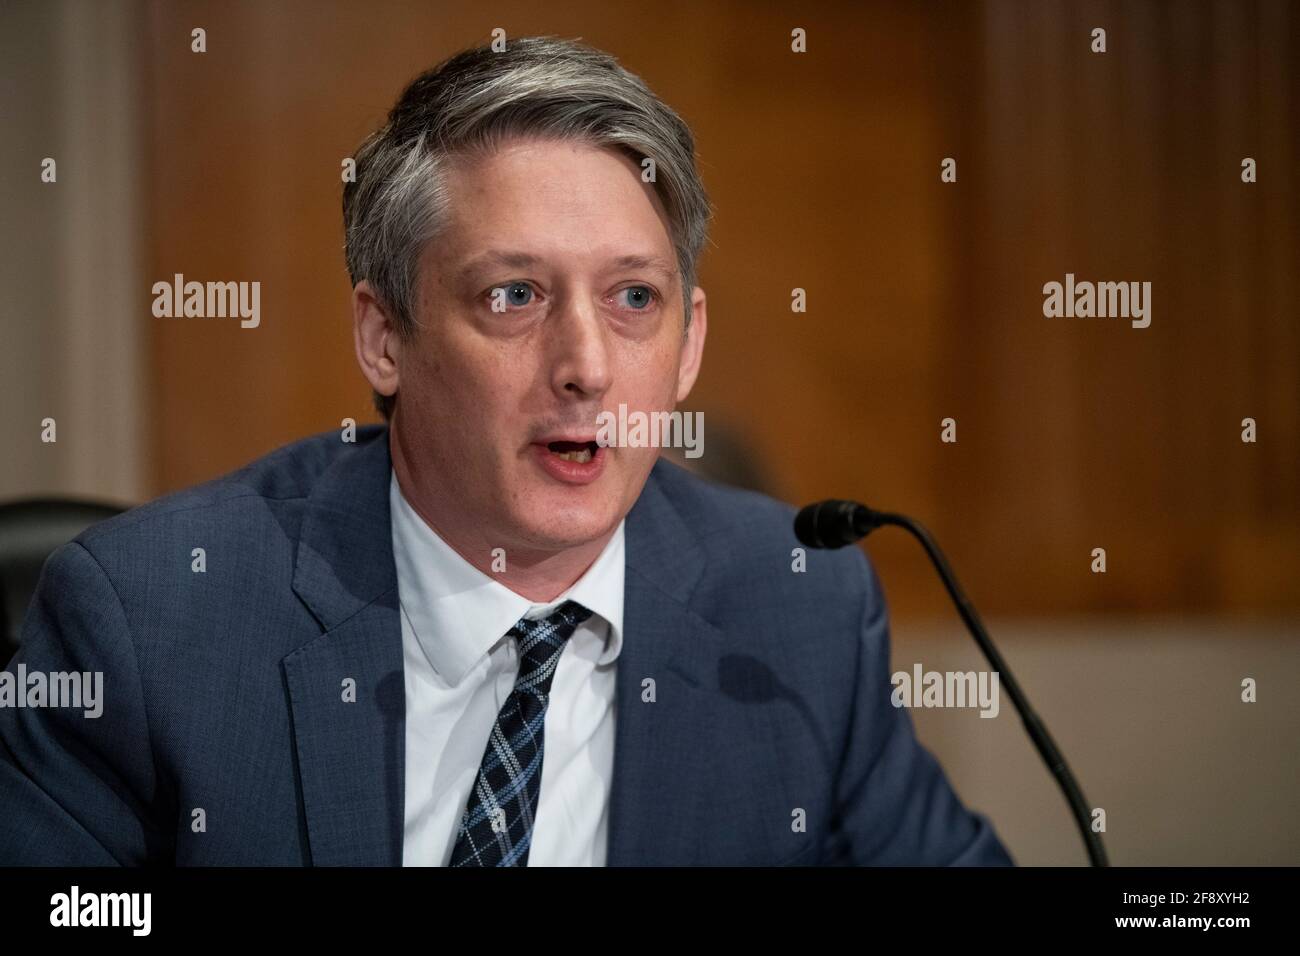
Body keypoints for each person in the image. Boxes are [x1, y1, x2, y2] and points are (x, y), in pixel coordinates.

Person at [0, 36, 1012, 866]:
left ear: (689, 342)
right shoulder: (150, 616)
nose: (584, 367)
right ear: (384, 337)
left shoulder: (797, 611)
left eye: (632, 300)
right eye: (513, 295)